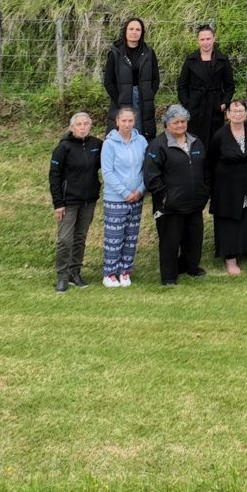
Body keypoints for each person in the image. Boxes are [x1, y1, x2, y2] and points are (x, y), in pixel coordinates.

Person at [144, 104, 209, 284]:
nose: (180, 125)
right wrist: (165, 197)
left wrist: (205, 191)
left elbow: (205, 168)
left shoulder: (195, 141)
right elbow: (151, 176)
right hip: (170, 205)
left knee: (193, 239)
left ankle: (191, 267)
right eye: (175, 122)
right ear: (167, 124)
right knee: (170, 242)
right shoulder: (158, 145)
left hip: (194, 201)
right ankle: (169, 276)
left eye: (183, 121)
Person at [210, 98, 247, 275]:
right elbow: (211, 160)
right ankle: (230, 258)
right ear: (228, 114)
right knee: (229, 221)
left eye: (241, 111)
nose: (237, 114)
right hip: (227, 186)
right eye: (234, 111)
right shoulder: (219, 135)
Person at [48, 111, 102, 292]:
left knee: (80, 238)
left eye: (86, 124)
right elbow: (54, 176)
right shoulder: (63, 147)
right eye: (79, 124)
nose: (83, 127)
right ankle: (62, 275)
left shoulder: (97, 145)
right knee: (65, 240)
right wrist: (58, 203)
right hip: (68, 202)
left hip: (88, 201)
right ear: (72, 127)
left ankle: (74, 272)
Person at [98, 106, 148, 288]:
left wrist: (140, 190)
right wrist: (125, 193)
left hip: (137, 196)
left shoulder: (141, 141)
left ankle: (125, 271)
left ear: (134, 122)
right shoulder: (109, 143)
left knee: (131, 237)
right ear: (117, 122)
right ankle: (110, 273)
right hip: (116, 198)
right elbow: (107, 172)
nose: (127, 124)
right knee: (114, 237)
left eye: (130, 121)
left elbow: (147, 168)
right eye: (124, 121)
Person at [175, 24, 235, 138]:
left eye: (208, 39)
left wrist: (224, 103)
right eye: (202, 39)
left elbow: (229, 85)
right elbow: (182, 85)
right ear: (198, 40)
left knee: (214, 137)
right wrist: (187, 104)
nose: (205, 42)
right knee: (195, 138)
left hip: (215, 106)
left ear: (214, 39)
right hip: (195, 106)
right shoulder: (190, 60)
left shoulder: (222, 59)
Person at [102, 18, 160, 129]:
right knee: (124, 130)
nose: (134, 32)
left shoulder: (149, 53)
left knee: (142, 130)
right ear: (125, 31)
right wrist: (119, 99)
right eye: (131, 29)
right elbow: (108, 82)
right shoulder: (115, 53)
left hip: (143, 97)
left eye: (138, 29)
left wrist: (149, 94)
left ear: (142, 33)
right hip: (123, 97)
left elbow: (156, 78)